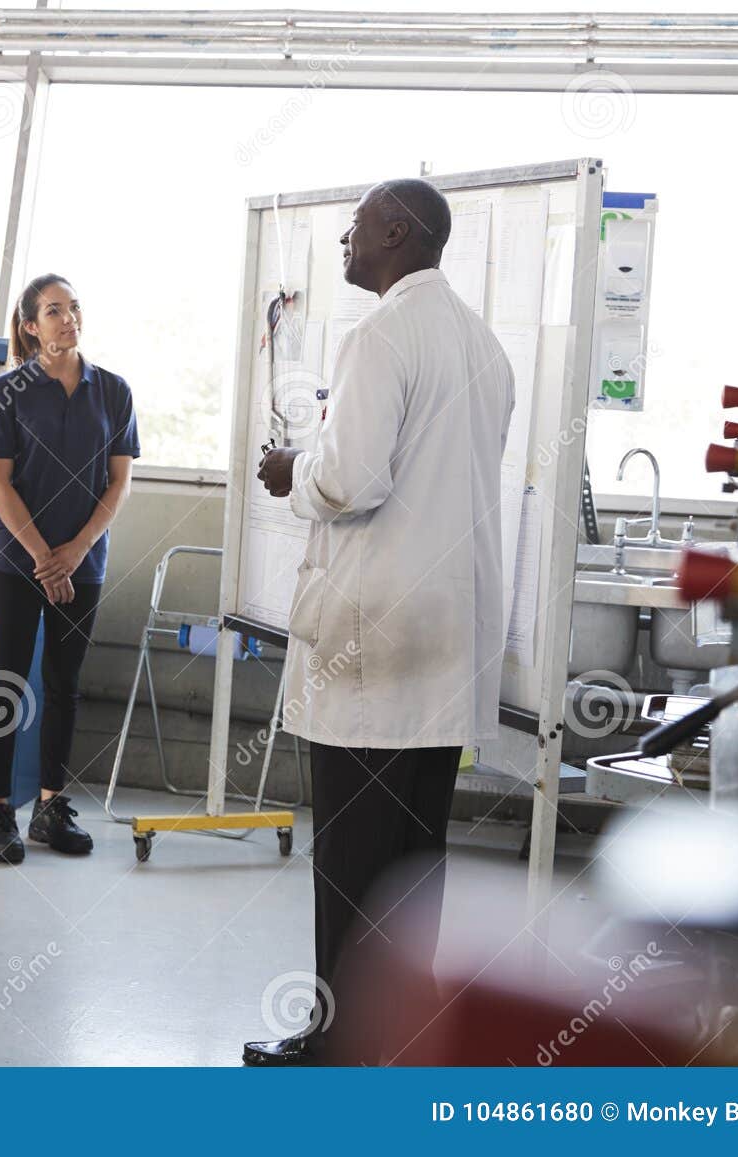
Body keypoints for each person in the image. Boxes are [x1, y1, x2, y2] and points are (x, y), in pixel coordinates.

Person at [245, 179, 515, 1065]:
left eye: (355, 228)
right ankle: (401, 1037)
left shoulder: (379, 334)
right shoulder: (482, 344)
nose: (345, 244)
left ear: (397, 231)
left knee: (353, 861)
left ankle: (339, 1049)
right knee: (412, 859)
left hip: (376, 641)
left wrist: (293, 466)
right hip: (444, 637)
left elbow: (350, 481)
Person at [0, 274, 138, 864]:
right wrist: (46, 557)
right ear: (29, 326)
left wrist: (74, 552)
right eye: (53, 311)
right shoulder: (6, 392)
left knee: (64, 686)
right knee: (8, 684)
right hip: (19, 564)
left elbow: (118, 484)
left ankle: (50, 807)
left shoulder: (113, 391)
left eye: (74, 308)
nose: (68, 319)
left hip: (84, 563)